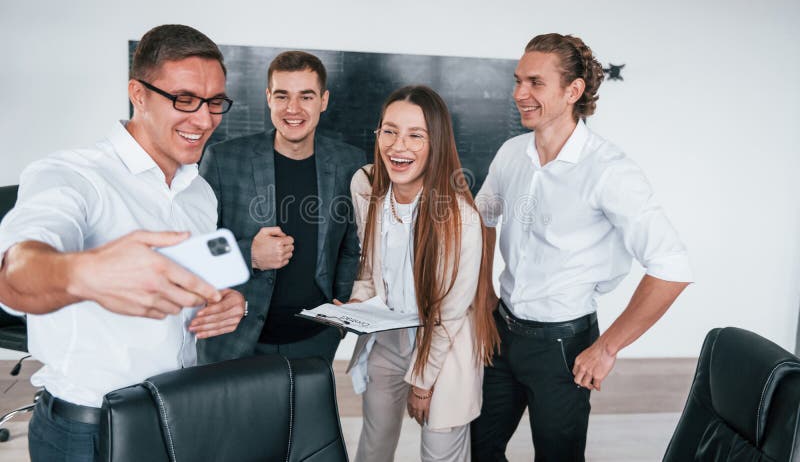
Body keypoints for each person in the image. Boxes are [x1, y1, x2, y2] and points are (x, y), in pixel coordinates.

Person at [0, 24, 246, 462]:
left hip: (175, 416)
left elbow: (189, 286)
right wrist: (86, 272)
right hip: (88, 431)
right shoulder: (72, 175)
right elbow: (15, 277)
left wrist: (223, 302)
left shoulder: (199, 194)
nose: (204, 119)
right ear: (139, 93)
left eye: (214, 103)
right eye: (184, 99)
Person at [470, 33, 693, 461]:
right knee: (479, 447)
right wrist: (483, 294)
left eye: (535, 82)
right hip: (502, 332)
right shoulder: (511, 152)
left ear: (573, 91)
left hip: (563, 346)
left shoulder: (610, 170)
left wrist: (607, 347)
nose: (519, 93)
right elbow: (484, 218)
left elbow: (671, 266)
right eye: (518, 81)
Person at [345, 85, 499, 462]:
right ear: (377, 134)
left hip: (442, 348)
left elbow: (449, 312)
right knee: (374, 445)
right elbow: (370, 268)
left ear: (437, 143)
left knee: (440, 452)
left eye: (416, 135)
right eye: (390, 131)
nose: (399, 146)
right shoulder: (365, 185)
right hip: (387, 339)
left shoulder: (459, 217)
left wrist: (422, 381)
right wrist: (355, 304)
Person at [197, 50, 364, 366]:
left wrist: (340, 313)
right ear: (268, 98)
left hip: (315, 342)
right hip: (234, 342)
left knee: (303, 418)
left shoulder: (349, 162)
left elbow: (350, 247)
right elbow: (194, 251)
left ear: (324, 100)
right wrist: (251, 255)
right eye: (282, 95)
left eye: (306, 97)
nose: (293, 109)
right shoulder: (223, 159)